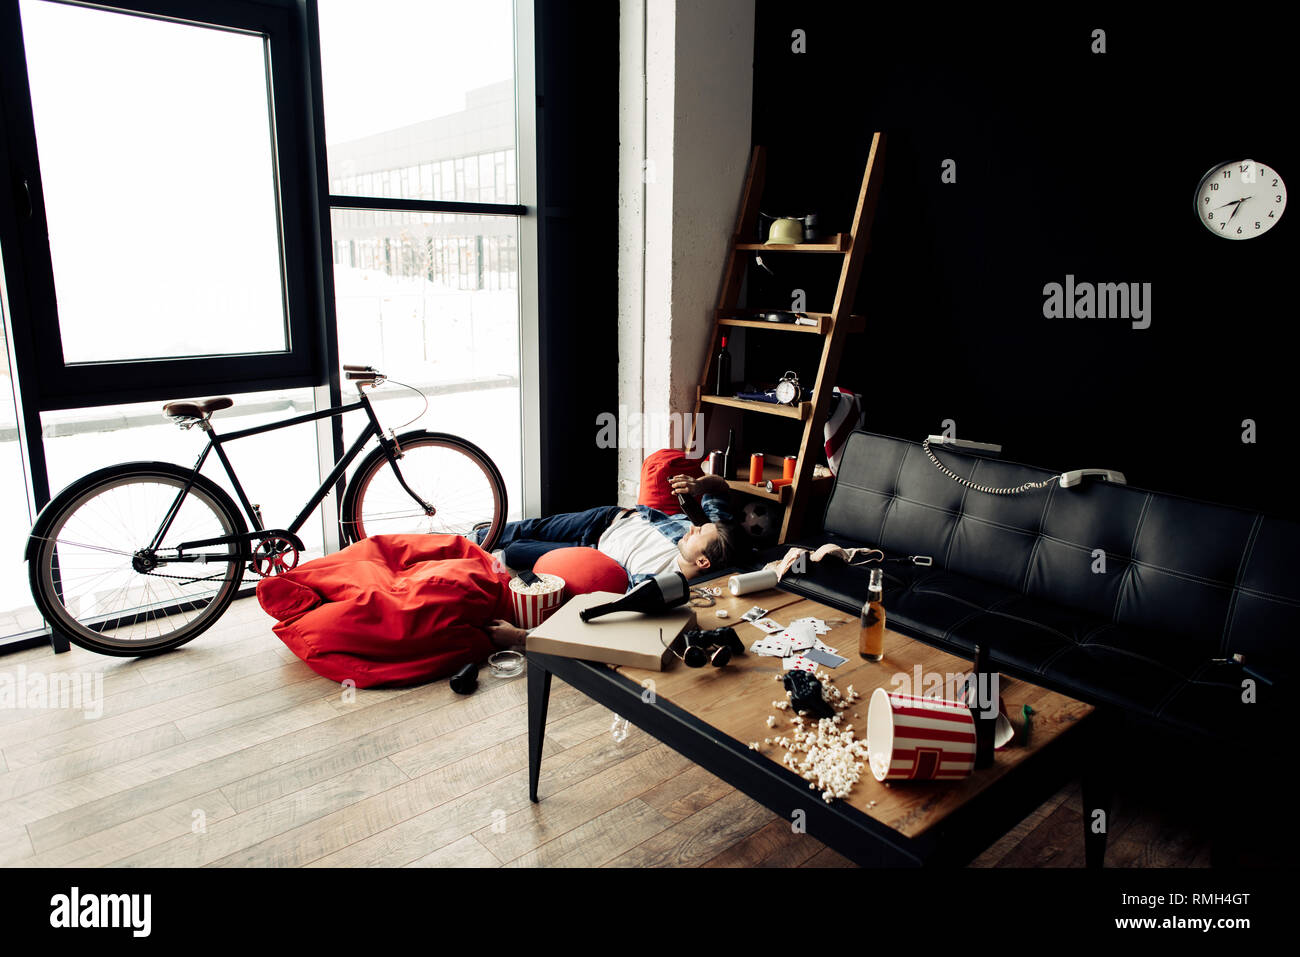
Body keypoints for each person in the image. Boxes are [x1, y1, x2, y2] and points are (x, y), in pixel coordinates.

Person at [479, 473, 746, 647]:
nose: (693, 527)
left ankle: (485, 547)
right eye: (698, 526)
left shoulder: (659, 587)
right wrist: (699, 486)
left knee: (514, 552)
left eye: (697, 533)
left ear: (703, 563)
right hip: (609, 518)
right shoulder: (721, 533)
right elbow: (720, 488)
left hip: (589, 549)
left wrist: (519, 636)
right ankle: (468, 538)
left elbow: (600, 623)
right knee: (528, 527)